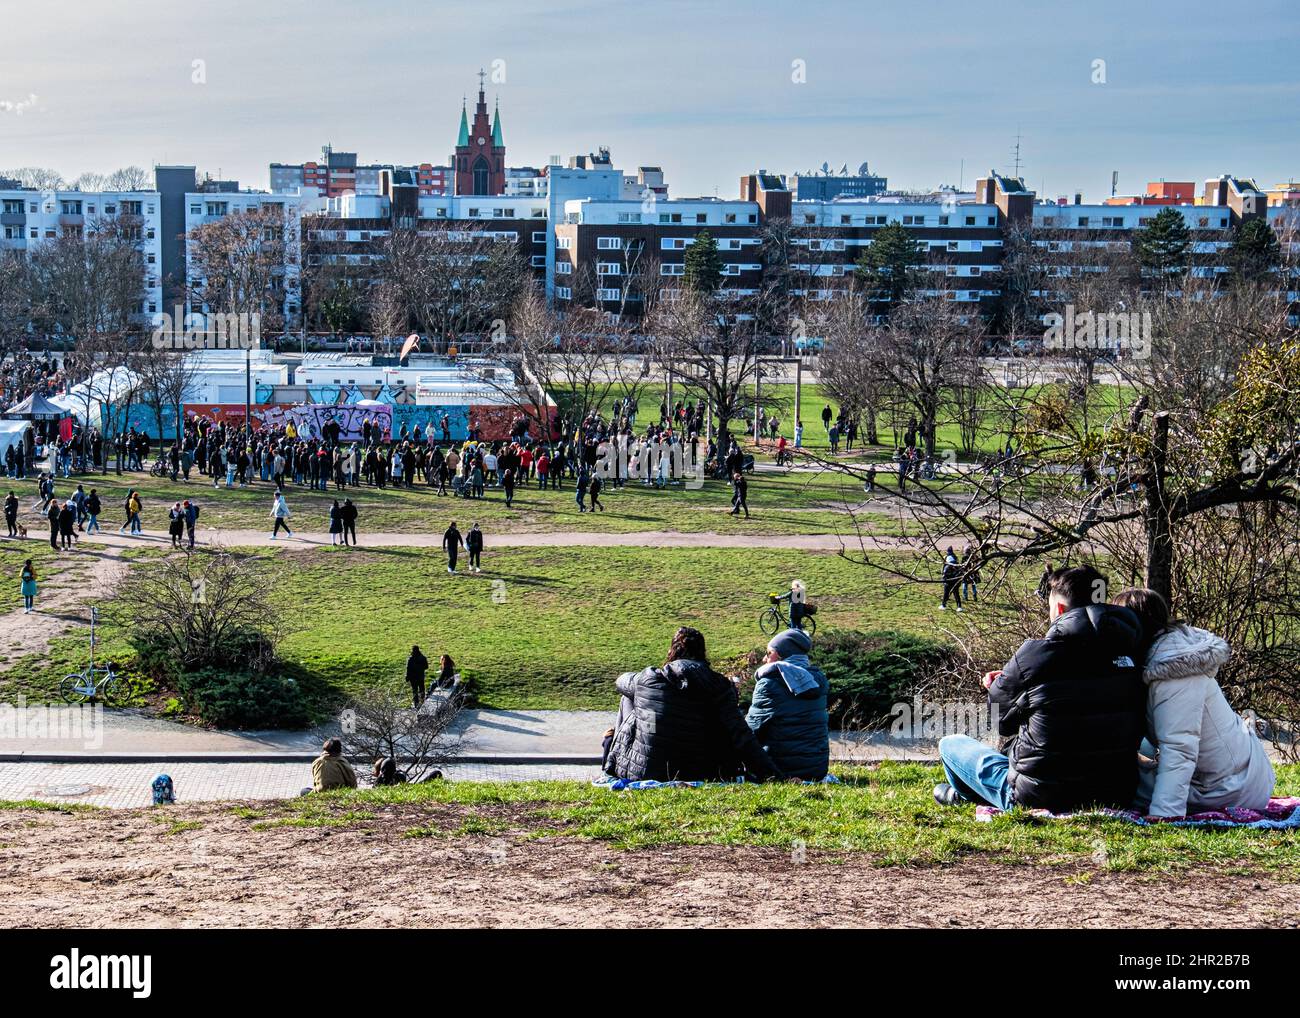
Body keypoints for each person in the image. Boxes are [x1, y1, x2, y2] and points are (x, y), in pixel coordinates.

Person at [934, 565, 1146, 813]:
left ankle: (969, 796)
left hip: (1041, 797)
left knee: (951, 744)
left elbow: (1003, 724)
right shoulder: (1135, 652)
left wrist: (996, 688)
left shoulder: (1034, 655)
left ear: (1058, 608)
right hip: (1115, 793)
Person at [1115, 587, 1276, 817]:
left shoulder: (1175, 669)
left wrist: (1165, 813)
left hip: (1234, 786)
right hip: (1229, 777)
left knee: (1122, 787)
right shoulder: (1162, 657)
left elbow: (1179, 746)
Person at [603, 626, 783, 783]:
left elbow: (621, 681)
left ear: (672, 652)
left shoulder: (649, 678)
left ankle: (610, 764)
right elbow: (741, 735)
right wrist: (772, 774)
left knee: (629, 698)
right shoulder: (719, 685)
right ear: (702, 653)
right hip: (703, 770)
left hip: (645, 771)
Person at [745, 628, 830, 780]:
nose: (764, 659)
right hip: (816, 769)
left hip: (780, 770)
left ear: (781, 654)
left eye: (769, 652)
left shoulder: (769, 683)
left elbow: (751, 729)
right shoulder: (817, 680)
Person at [940, 546, 963, 612]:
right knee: (956, 593)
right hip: (955, 579)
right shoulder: (955, 558)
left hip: (948, 580)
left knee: (946, 593)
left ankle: (943, 605)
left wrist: (944, 580)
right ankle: (959, 607)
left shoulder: (946, 558)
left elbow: (944, 570)